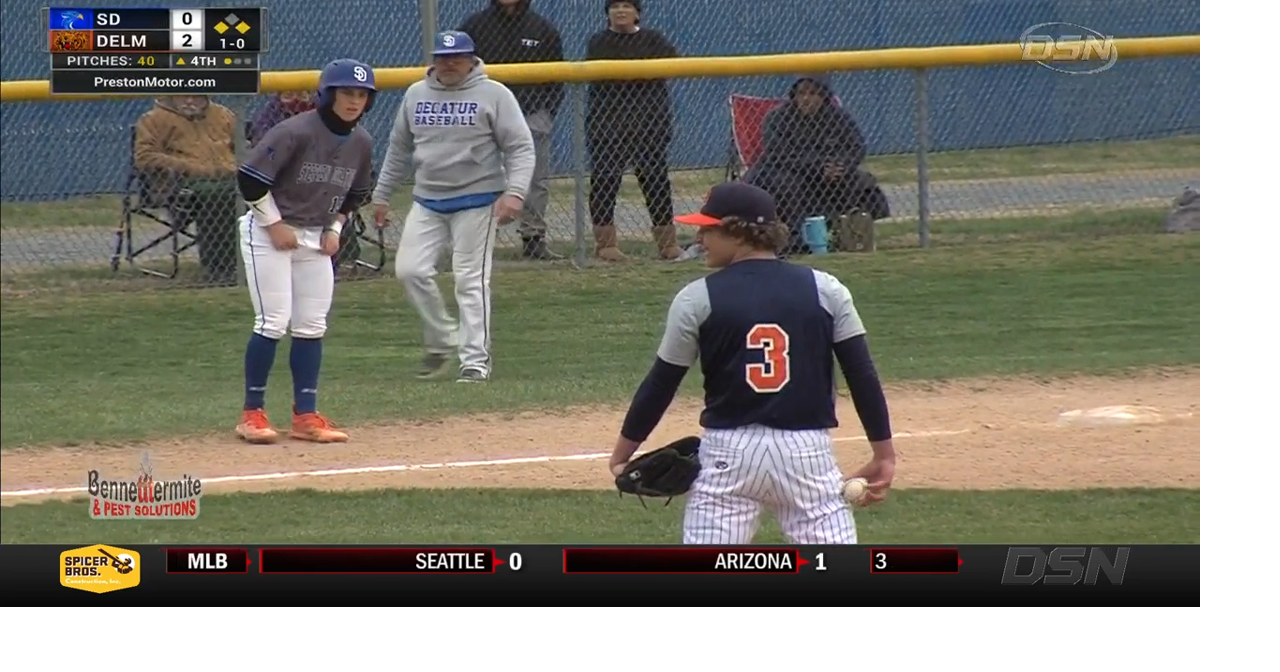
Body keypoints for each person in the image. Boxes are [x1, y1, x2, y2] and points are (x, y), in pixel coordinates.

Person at [607, 181, 897, 544]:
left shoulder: (696, 297)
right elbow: (861, 374)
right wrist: (883, 453)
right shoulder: (826, 289)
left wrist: (622, 455)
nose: (698, 237)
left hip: (729, 455)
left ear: (739, 233)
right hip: (806, 454)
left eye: (708, 228)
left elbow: (662, 382)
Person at [372, 31, 536, 383]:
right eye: (442, 57)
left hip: (479, 200)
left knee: (470, 281)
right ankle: (443, 336)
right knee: (410, 270)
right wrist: (382, 195)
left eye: (456, 57)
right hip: (428, 198)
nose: (448, 63)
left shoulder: (494, 94)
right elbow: (398, 148)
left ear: (472, 59)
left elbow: (520, 147)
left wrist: (515, 193)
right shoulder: (416, 94)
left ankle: (475, 361)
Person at [233, 59, 377, 445]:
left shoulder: (361, 141)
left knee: (312, 325)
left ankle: (305, 416)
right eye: (347, 93)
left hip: (315, 237)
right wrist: (274, 223)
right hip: (268, 233)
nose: (354, 101)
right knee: (273, 321)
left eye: (361, 95)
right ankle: (252, 414)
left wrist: (335, 227)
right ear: (328, 95)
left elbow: (357, 193)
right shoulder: (294, 131)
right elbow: (250, 179)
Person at [458, 0, 565, 260]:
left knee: (534, 180)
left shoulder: (541, 27)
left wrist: (546, 112)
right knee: (477, 178)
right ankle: (475, 241)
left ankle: (533, 238)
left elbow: (557, 73)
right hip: (485, 117)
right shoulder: (474, 27)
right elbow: (458, 69)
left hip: (530, 114)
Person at [744, 75, 890, 254]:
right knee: (787, 183)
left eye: (813, 93)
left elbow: (856, 147)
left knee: (861, 181)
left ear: (824, 96)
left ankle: (847, 230)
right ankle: (796, 238)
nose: (806, 98)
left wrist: (841, 166)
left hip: (830, 172)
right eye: (801, 93)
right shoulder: (778, 117)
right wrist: (819, 168)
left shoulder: (837, 117)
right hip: (785, 170)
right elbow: (778, 154)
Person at [585, 0, 681, 262]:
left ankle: (667, 245)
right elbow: (608, 74)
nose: (620, 11)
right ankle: (606, 245)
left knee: (656, 183)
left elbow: (671, 65)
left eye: (627, 5)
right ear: (608, 14)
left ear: (637, 13)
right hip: (609, 126)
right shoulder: (599, 41)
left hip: (649, 125)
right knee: (605, 182)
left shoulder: (653, 39)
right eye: (614, 7)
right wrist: (642, 73)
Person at [133, 95, 240, 285]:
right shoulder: (153, 119)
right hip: (181, 183)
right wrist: (188, 166)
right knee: (216, 194)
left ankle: (255, 263)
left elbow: (242, 145)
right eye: (183, 96)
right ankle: (219, 268)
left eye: (196, 96)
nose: (189, 101)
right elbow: (145, 157)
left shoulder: (223, 115)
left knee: (256, 191)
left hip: (228, 175)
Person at [247, 91, 316, 147]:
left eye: (301, 95)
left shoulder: (314, 110)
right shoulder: (271, 112)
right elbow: (260, 141)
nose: (295, 99)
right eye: (289, 95)